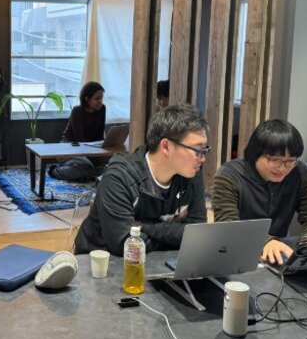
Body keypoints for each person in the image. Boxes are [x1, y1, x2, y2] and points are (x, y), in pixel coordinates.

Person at [74, 103, 209, 256]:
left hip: (157, 261)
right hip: (101, 260)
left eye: (205, 150)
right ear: (166, 146)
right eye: (197, 150)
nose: (203, 158)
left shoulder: (192, 174)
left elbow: (197, 234)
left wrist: (145, 227)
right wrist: (176, 235)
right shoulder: (120, 177)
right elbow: (123, 243)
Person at [212, 119, 307, 266]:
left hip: (278, 253)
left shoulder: (301, 172)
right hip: (237, 252)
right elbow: (227, 226)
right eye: (274, 160)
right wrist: (265, 241)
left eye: (290, 161)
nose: (282, 167)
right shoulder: (229, 175)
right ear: (255, 154)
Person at [50, 82, 106, 182]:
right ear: (86, 99)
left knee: (110, 164)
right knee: (88, 167)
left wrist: (103, 150)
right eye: (97, 98)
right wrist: (94, 156)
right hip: (70, 147)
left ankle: (86, 174)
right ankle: (55, 171)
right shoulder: (77, 110)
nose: (100, 101)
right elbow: (80, 139)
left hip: (89, 149)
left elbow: (100, 135)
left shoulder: (102, 109)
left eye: (101, 98)